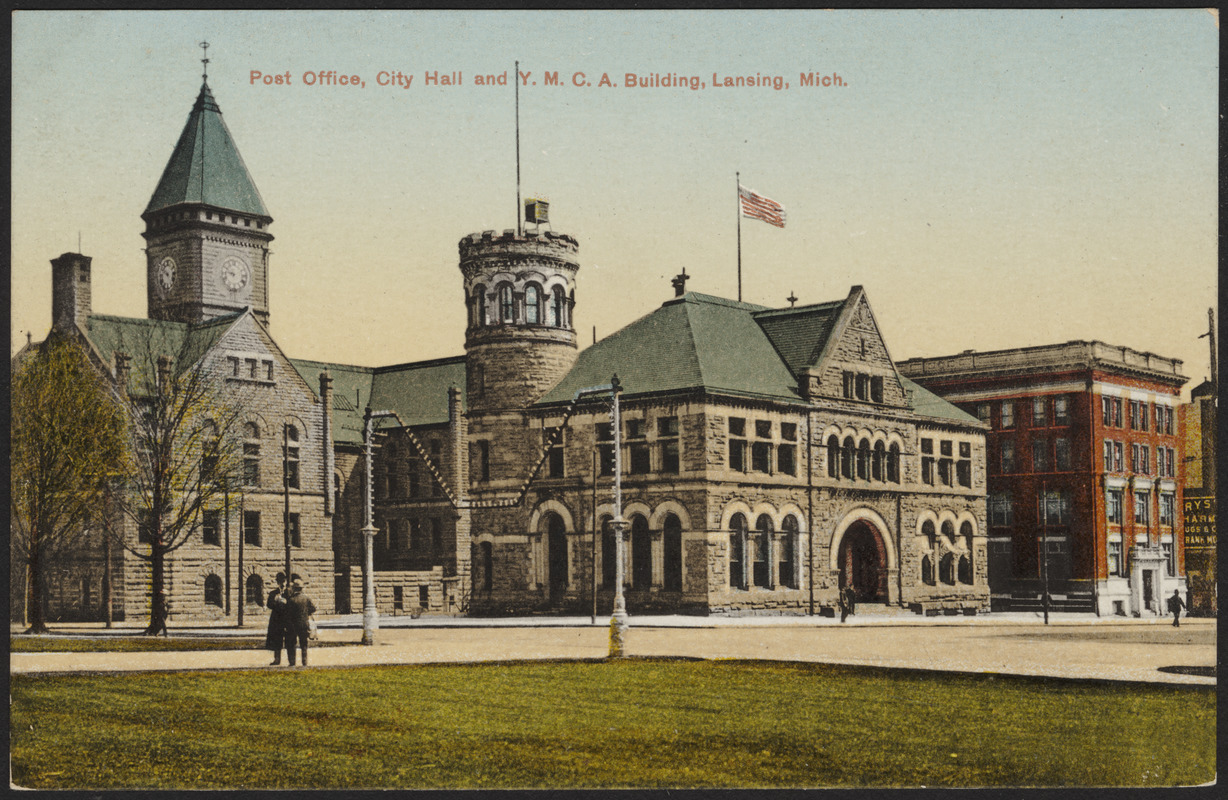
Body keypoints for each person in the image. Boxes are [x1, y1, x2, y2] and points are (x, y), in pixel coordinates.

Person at [284, 577, 317, 666]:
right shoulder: (306, 598)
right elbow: (313, 609)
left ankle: (292, 662)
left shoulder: (290, 600)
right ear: (301, 589)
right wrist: (306, 613)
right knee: (304, 644)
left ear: (294, 589)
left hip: (292, 625)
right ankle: (304, 662)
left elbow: (287, 613)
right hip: (303, 624)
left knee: (291, 644)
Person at [265, 572, 288, 665]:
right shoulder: (273, 593)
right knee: (277, 639)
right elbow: (269, 604)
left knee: (290, 639)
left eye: (283, 581)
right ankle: (277, 659)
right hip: (277, 619)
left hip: (287, 618)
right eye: (280, 582)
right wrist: (276, 602)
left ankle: (292, 660)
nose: (282, 584)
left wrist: (285, 602)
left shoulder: (289, 593)